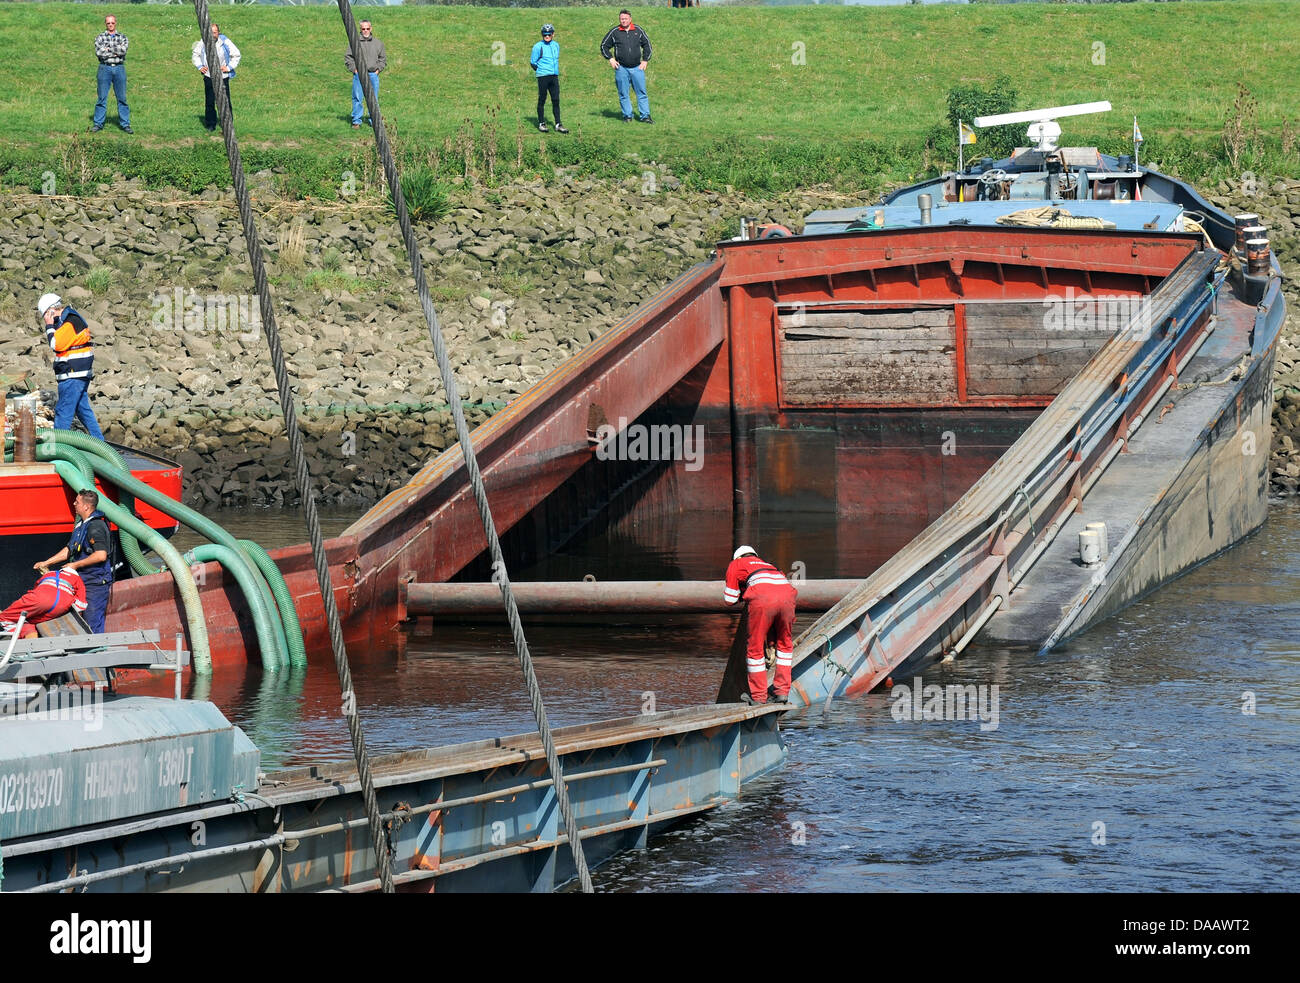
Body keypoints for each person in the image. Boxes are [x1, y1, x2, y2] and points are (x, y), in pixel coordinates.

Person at [723, 546, 797, 705]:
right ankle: (782, 693)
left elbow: (729, 599)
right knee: (785, 646)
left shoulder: (736, 564)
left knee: (755, 649)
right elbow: (779, 588)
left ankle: (758, 697)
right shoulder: (770, 565)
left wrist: (744, 593)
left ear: (738, 557)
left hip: (762, 600)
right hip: (788, 597)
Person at [36, 490, 114, 635]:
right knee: (76, 619)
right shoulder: (81, 525)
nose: (74, 504)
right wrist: (47, 562)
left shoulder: (96, 526)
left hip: (95, 583)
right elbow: (70, 549)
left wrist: (75, 565)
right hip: (80, 581)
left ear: (86, 507)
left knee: (92, 622)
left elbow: (101, 555)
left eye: (77, 502)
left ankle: (96, 651)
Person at [38, 293, 104, 441]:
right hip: (77, 373)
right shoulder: (67, 320)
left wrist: (49, 325)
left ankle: (57, 449)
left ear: (51, 310)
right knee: (83, 410)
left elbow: (56, 344)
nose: (45, 319)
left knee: (63, 411)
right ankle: (101, 444)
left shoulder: (70, 322)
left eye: (45, 315)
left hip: (73, 374)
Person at [1, 569, 87, 640]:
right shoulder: (78, 579)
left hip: (40, 598)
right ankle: (32, 640)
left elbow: (37, 591)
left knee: (4, 617)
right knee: (30, 619)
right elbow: (80, 606)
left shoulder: (49, 574)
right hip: (61, 606)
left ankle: (29, 636)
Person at [600, 10, 653, 124]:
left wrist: (645, 60)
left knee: (642, 93)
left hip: (637, 68)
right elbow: (604, 46)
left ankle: (645, 116)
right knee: (623, 94)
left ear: (630, 19)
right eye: (621, 19)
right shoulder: (615, 32)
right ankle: (627, 116)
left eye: (625, 19)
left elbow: (647, 45)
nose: (623, 21)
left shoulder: (638, 30)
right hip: (621, 68)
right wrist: (611, 59)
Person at [192, 22, 241, 131]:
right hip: (209, 76)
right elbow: (196, 54)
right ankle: (210, 124)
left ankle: (227, 125)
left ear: (218, 32)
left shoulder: (224, 41)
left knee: (225, 101)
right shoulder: (203, 41)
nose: (213, 34)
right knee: (210, 101)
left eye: (215, 32)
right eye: (211, 32)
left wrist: (228, 67)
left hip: (223, 76)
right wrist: (200, 66)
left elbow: (236, 54)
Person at [92, 14, 132, 134]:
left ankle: (125, 124)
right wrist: (115, 51)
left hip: (119, 69)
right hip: (104, 69)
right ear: (105, 24)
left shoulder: (123, 37)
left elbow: (123, 50)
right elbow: (99, 53)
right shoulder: (100, 37)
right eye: (108, 23)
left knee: (122, 98)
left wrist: (108, 49)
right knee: (102, 98)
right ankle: (98, 124)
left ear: (116, 23)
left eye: (112, 23)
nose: (110, 25)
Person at [346, 19, 387, 130]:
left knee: (373, 98)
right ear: (360, 29)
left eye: (367, 28)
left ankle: (374, 121)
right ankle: (356, 121)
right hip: (359, 75)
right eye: (363, 29)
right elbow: (348, 58)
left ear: (371, 29)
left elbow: (383, 59)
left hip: (373, 74)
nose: (365, 31)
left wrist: (378, 70)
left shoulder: (378, 43)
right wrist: (354, 70)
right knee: (358, 98)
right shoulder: (354, 43)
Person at [530, 24, 568, 134]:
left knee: (556, 100)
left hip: (554, 75)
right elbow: (533, 62)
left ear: (553, 34)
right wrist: (541, 70)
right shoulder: (538, 46)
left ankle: (558, 124)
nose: (547, 36)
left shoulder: (556, 45)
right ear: (542, 35)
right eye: (545, 34)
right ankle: (541, 123)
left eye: (549, 34)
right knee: (542, 98)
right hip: (543, 76)